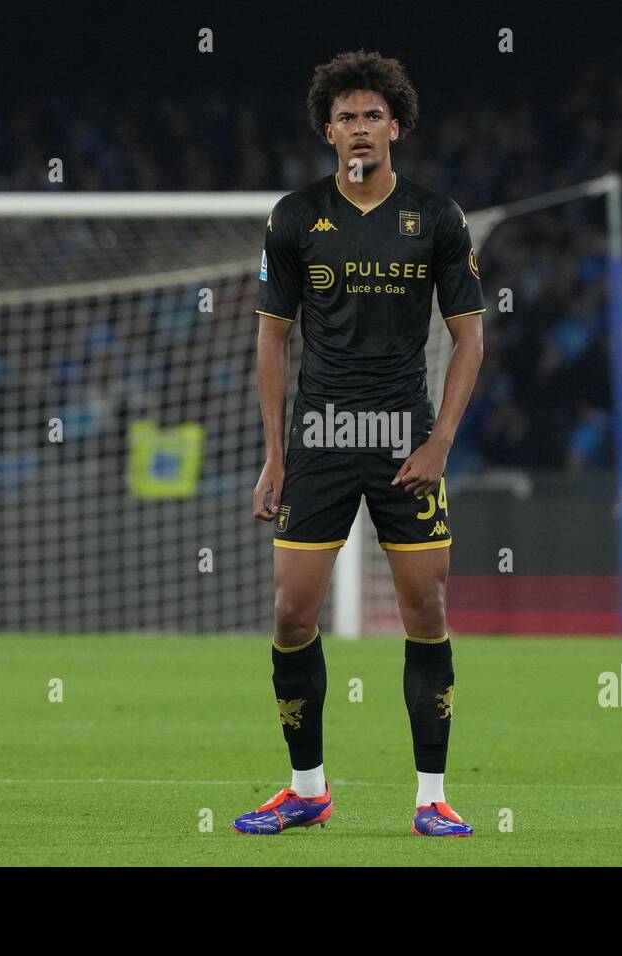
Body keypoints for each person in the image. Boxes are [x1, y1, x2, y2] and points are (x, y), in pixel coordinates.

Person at [240, 51, 485, 836]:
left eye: (373, 115)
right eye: (346, 116)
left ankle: (432, 797)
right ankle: (308, 788)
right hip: (319, 437)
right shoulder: (293, 218)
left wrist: (442, 441)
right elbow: (272, 343)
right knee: (290, 613)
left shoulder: (437, 218)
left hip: (404, 440)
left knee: (426, 606)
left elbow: (469, 340)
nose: (360, 128)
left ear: (397, 127)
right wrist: (276, 454)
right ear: (327, 131)